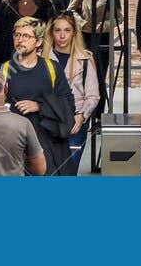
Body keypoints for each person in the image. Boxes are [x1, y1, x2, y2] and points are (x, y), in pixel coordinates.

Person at [1, 17, 77, 175]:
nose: (20, 40)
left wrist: (39, 106)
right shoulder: (4, 70)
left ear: (38, 42)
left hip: (48, 148)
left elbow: (68, 105)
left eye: (26, 36)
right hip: (13, 148)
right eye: (17, 35)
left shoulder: (52, 69)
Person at [47, 12, 99, 173]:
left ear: (74, 32)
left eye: (67, 30)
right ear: (51, 32)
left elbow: (93, 95)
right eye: (57, 30)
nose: (62, 35)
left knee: (69, 170)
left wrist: (82, 116)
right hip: (48, 122)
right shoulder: (42, 59)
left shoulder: (85, 59)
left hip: (76, 121)